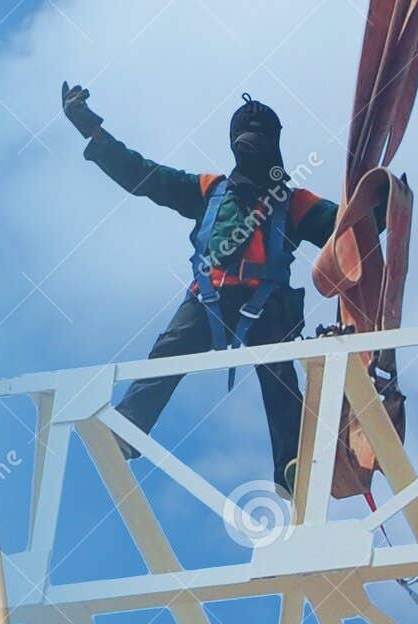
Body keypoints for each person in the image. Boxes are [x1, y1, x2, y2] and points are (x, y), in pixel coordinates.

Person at [61, 82, 350, 497]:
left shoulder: (295, 201)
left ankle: (292, 464)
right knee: (167, 353)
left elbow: (346, 231)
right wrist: (95, 135)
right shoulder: (209, 190)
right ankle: (126, 429)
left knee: (281, 377)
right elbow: (145, 176)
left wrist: (379, 205)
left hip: (266, 302)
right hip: (209, 297)